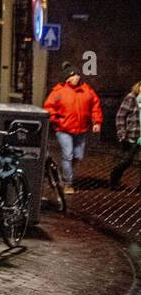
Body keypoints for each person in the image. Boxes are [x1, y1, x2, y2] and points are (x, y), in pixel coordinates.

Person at [43, 62, 102, 195]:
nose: (77, 78)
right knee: (68, 155)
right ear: (67, 78)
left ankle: (64, 169)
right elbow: (49, 107)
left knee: (78, 156)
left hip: (81, 129)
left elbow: (95, 106)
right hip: (63, 130)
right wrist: (56, 120)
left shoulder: (87, 90)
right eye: (74, 75)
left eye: (77, 75)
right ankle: (67, 184)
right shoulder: (58, 92)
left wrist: (96, 121)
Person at [109, 80, 141, 192]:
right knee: (126, 161)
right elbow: (120, 116)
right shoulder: (131, 99)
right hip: (132, 135)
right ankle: (114, 180)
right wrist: (122, 134)